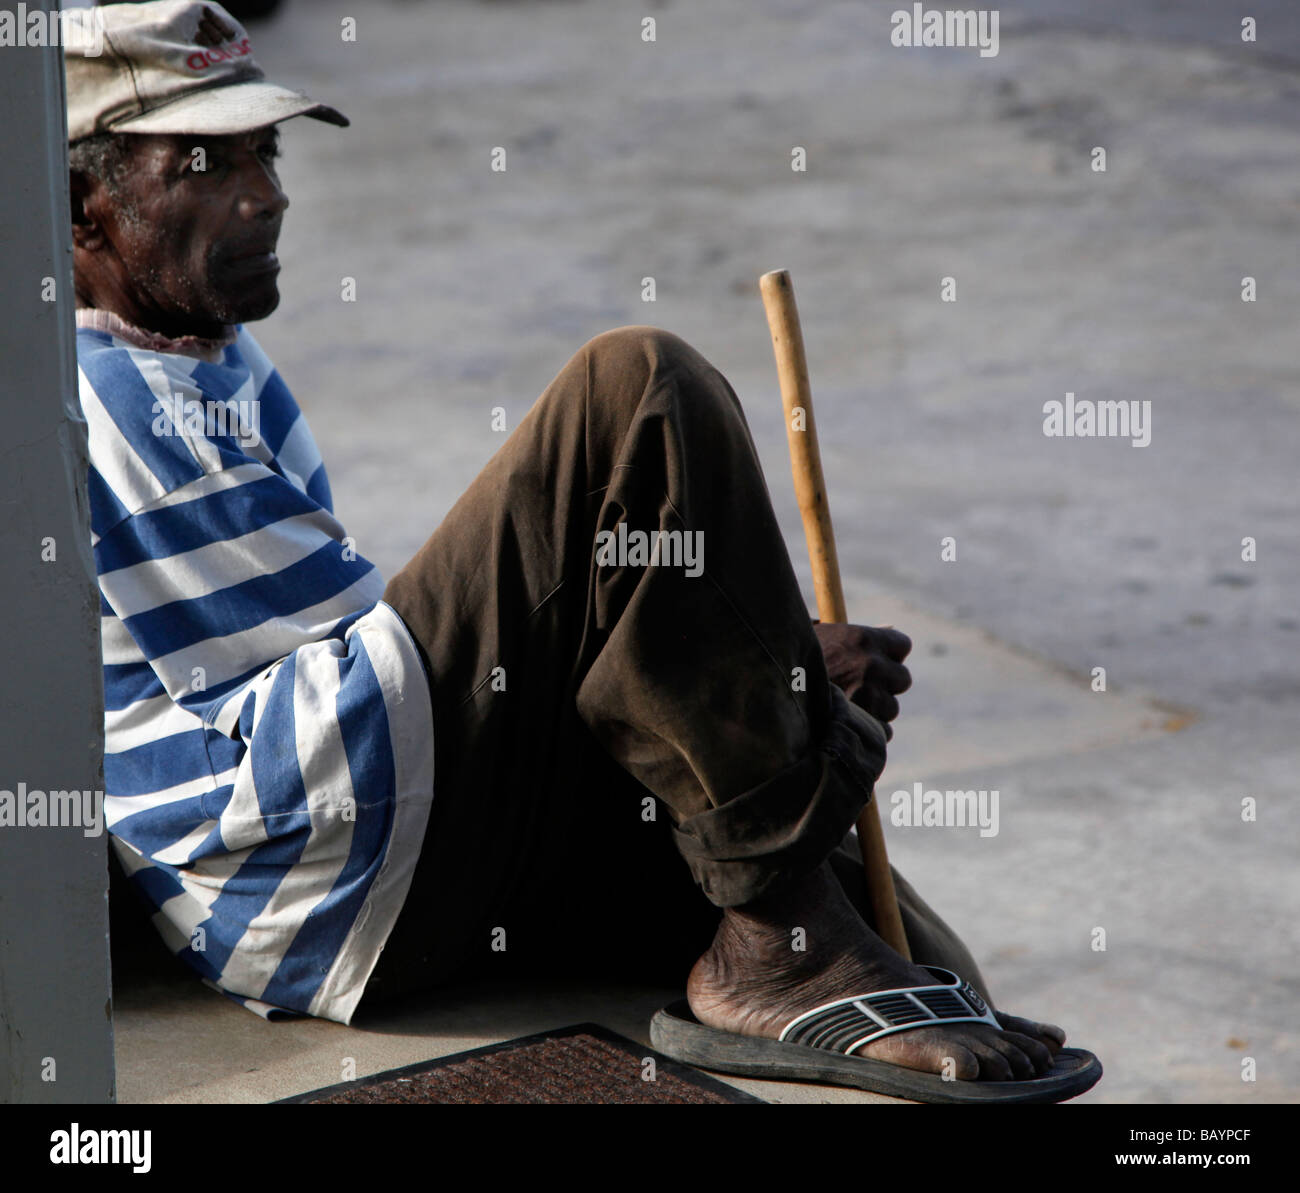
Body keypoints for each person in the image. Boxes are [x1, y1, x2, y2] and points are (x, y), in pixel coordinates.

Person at [68, 1, 1098, 1100]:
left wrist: (751, 670)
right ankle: (774, 950)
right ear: (82, 204)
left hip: (365, 834)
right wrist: (751, 666)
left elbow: (407, 656)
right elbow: (351, 690)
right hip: (317, 873)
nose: (266, 193)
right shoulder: (106, 393)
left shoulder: (204, 357)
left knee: (884, 912)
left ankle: (792, 931)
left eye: (263, 152)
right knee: (634, 393)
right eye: (201, 163)